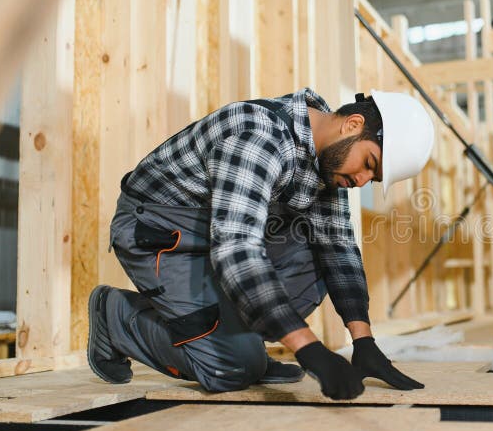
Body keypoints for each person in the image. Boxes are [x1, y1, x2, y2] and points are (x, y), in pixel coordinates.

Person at [87, 88, 434, 400]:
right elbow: (238, 250)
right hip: (160, 232)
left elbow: (338, 247)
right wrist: (307, 348)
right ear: (352, 124)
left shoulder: (325, 156)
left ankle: (241, 341)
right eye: (368, 164)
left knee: (319, 246)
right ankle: (116, 316)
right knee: (232, 369)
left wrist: (364, 341)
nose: (360, 181)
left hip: (215, 230)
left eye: (371, 178)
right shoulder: (259, 136)